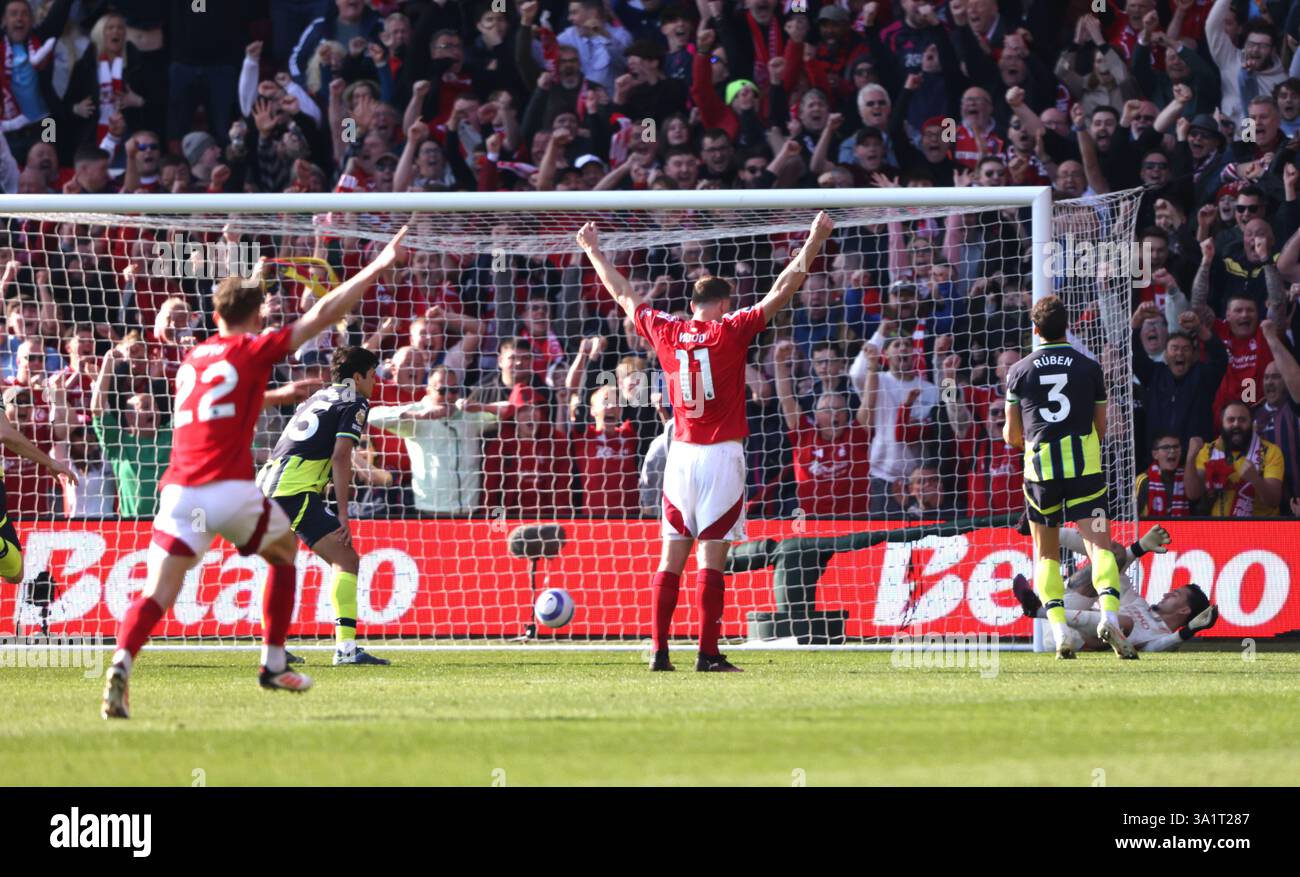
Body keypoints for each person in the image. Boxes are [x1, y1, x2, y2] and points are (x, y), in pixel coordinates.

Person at [100, 226, 408, 720]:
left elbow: (215, 404)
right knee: (284, 555)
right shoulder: (253, 350)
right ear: (258, 315)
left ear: (215, 315)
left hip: (179, 491)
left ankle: (121, 662)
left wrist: (279, 397)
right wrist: (379, 266)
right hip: (232, 488)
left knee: (158, 591)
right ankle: (271, 661)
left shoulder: (191, 361)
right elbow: (322, 314)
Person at [577, 211, 834, 673]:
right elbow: (783, 288)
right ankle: (708, 653)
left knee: (671, 555)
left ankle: (658, 651)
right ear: (721, 303)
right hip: (721, 454)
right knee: (712, 555)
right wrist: (815, 238)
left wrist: (594, 250)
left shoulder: (665, 329)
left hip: (680, 453)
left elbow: (622, 293)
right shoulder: (730, 331)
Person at [1004, 295, 1136, 660]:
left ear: (1035, 329)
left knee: (1045, 554)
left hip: (1042, 473)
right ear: (1067, 326)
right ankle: (1108, 615)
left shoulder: (1019, 371)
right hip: (1085, 471)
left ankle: (1060, 629)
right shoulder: (1090, 368)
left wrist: (1033, 443)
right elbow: (1101, 426)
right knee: (1099, 547)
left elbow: (1010, 435)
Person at [258, 345, 389, 666]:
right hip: (292, 490)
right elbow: (341, 455)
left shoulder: (317, 397)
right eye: (372, 375)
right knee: (346, 558)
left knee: (280, 563)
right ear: (356, 377)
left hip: (268, 483)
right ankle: (346, 649)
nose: (375, 382)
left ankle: (272, 647)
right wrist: (343, 513)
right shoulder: (356, 400)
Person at [1012, 525, 1220, 653]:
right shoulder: (1138, 604)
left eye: (1176, 594)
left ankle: (1038, 610)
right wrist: (1139, 548)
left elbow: (1156, 649)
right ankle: (1044, 531)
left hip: (1070, 642)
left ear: (1184, 610)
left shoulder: (1160, 636)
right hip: (1062, 618)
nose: (1167, 593)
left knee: (1120, 623)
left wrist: (1189, 631)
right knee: (1113, 553)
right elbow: (1114, 569)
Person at [1184, 400, 1284, 517]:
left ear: (1251, 423)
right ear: (1222, 423)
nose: (1236, 424)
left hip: (1260, 529)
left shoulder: (1270, 451)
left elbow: (1273, 501)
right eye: (1230, 420)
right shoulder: (1208, 451)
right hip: (1220, 530)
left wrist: (1256, 480)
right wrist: (1190, 457)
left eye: (1242, 420)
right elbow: (1193, 493)